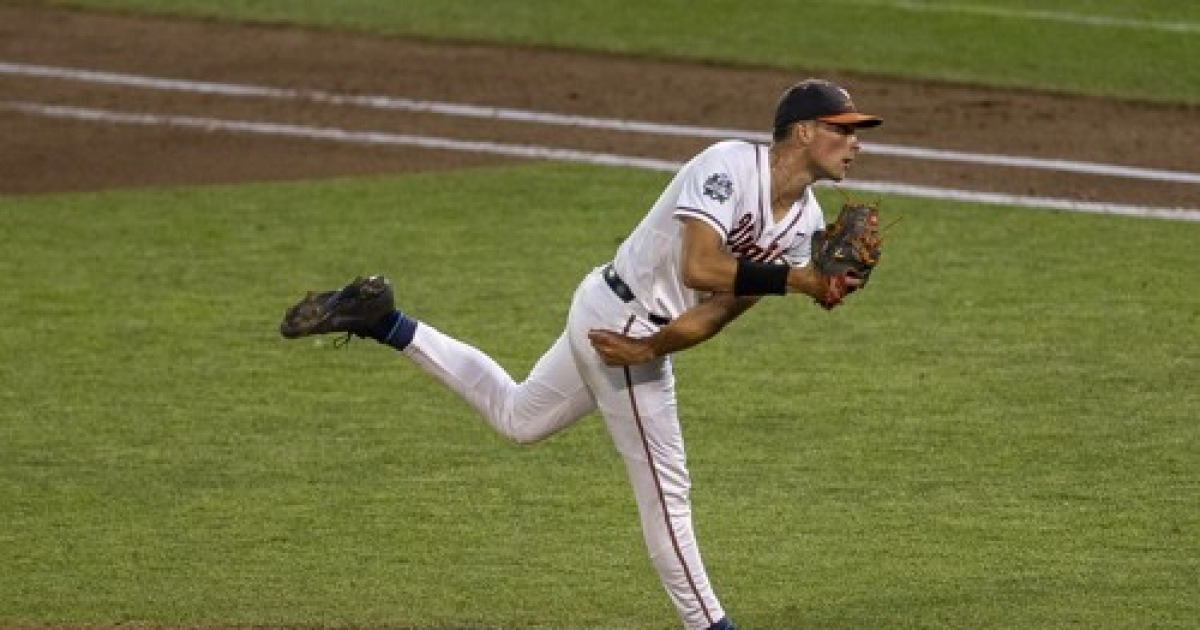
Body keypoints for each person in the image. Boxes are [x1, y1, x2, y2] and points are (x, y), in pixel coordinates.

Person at [280, 78, 882, 630]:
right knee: (667, 494)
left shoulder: (805, 225)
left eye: (856, 131)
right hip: (614, 313)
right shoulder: (727, 166)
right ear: (802, 131)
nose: (853, 142)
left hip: (623, 328)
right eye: (842, 128)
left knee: (520, 419)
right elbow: (698, 264)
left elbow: (716, 310)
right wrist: (797, 282)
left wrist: (650, 347)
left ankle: (385, 321)